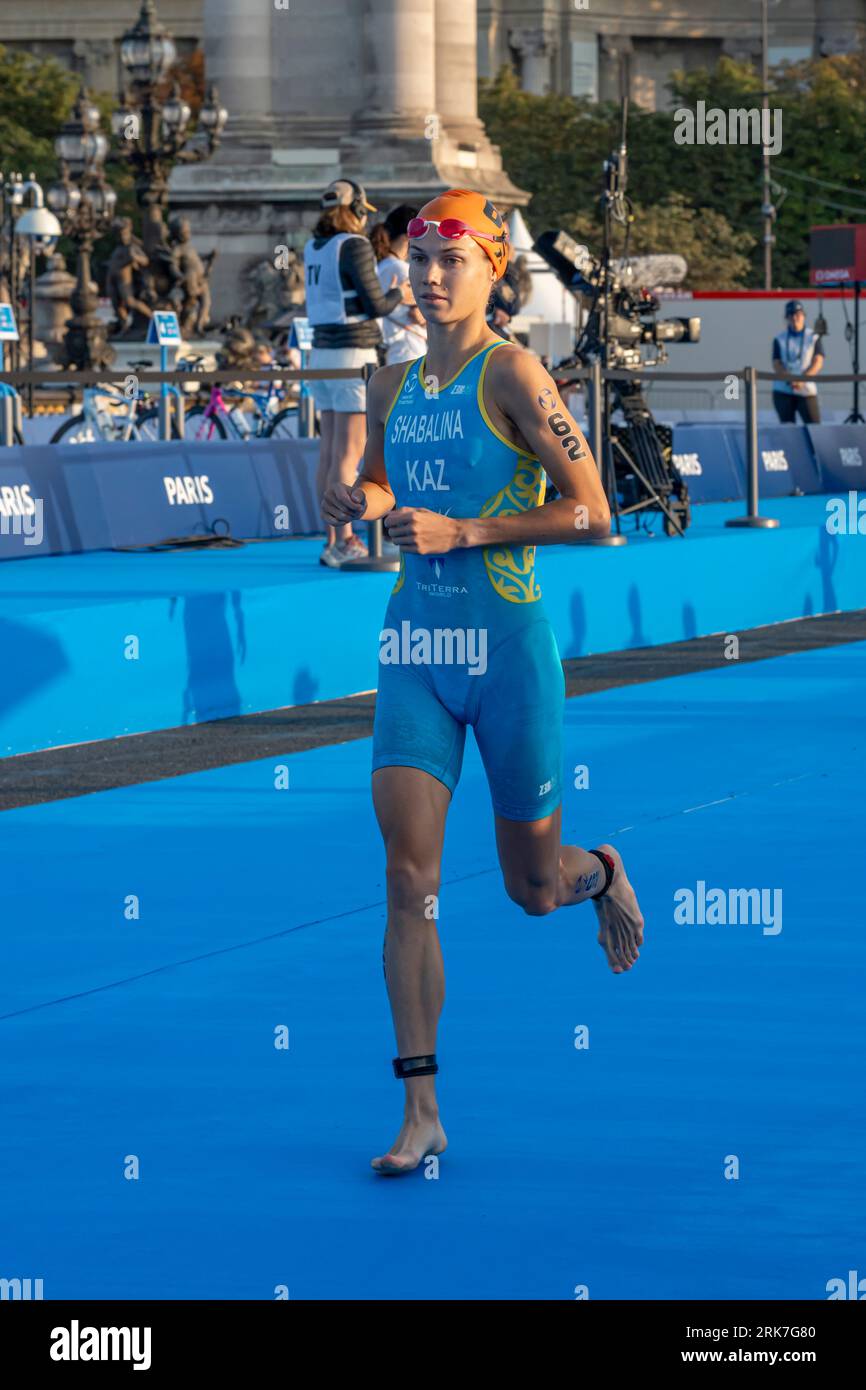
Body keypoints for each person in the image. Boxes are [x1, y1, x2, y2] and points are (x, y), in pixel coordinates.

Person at [322, 188, 646, 1176]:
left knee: (529, 889)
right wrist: (363, 496)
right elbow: (394, 490)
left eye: (449, 262)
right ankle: (420, 1108)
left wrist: (467, 531)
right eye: (415, 263)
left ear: (490, 270)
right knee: (406, 881)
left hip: (506, 649)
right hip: (415, 650)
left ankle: (596, 869)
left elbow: (594, 514)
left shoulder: (512, 374)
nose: (426, 278)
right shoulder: (391, 384)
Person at [304, 179, 415, 567]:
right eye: (361, 213)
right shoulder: (353, 245)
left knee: (330, 451)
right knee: (348, 453)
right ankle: (346, 539)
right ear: (353, 211)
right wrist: (401, 294)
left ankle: (333, 539)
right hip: (353, 353)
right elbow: (376, 305)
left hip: (321, 354)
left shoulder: (313, 246)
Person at [372, 204, 428, 365]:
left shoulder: (382, 266)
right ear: (408, 237)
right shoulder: (401, 269)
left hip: (394, 348)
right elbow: (419, 312)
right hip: (408, 347)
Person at [772, 299, 824, 424]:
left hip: (806, 389)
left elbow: (818, 361)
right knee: (787, 429)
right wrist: (790, 379)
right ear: (787, 317)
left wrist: (802, 379)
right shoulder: (779, 338)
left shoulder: (813, 337)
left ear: (804, 316)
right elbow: (776, 363)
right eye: (791, 315)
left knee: (814, 426)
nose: (795, 318)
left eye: (798, 314)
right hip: (784, 389)